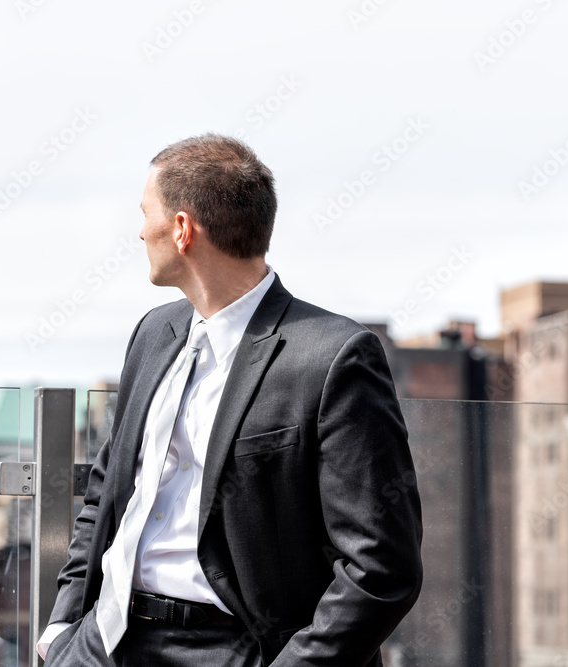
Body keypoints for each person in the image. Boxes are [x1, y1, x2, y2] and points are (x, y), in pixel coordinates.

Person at [37, 134, 423, 666]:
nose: (138, 231)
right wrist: (62, 629)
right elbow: (108, 489)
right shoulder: (153, 334)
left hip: (233, 651)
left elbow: (381, 565)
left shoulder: (333, 357)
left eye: (145, 212)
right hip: (103, 643)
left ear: (181, 229)